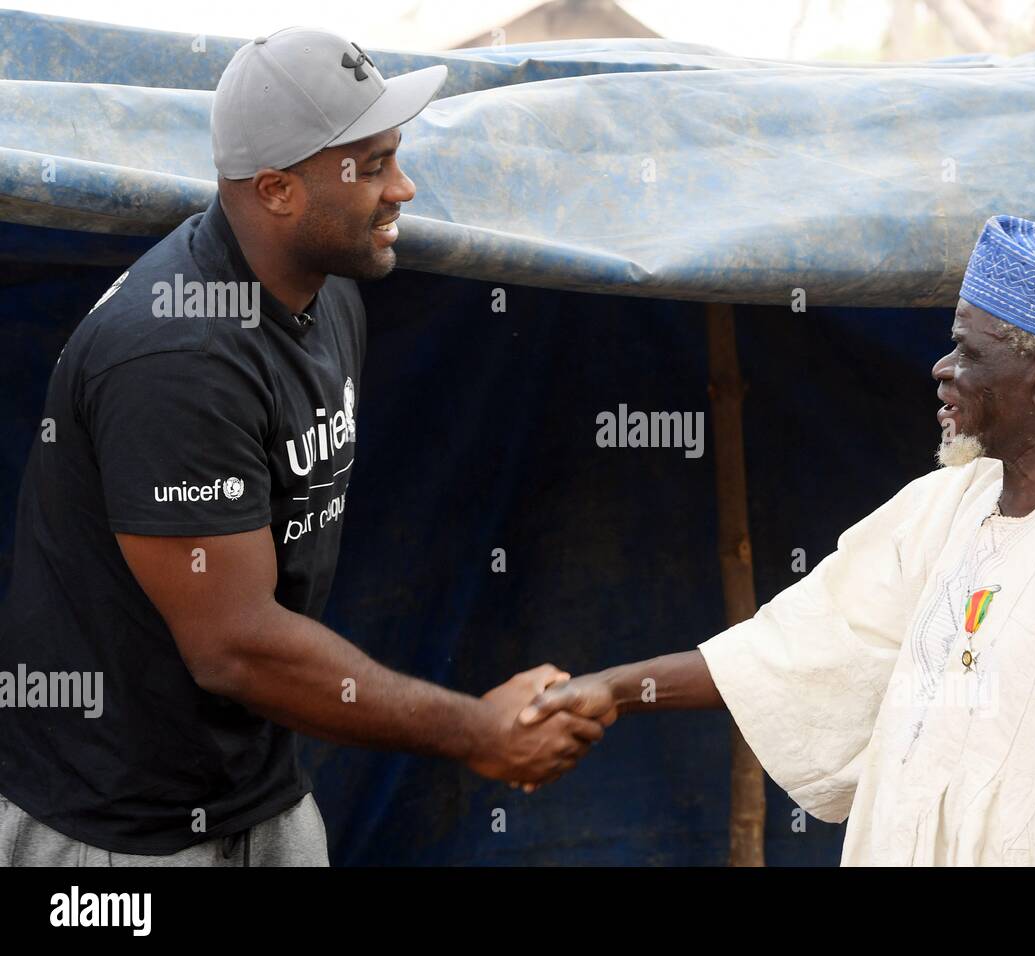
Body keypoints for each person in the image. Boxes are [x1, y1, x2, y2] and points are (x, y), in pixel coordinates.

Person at [0, 28, 606, 867]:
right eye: (372, 165)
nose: (404, 187)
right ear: (278, 189)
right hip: (119, 835)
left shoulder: (328, 295)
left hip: (260, 794)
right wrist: (474, 730)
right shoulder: (177, 358)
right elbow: (234, 646)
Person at [522, 214, 1035, 865]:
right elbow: (790, 656)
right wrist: (616, 689)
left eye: (968, 351)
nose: (940, 369)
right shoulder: (950, 506)